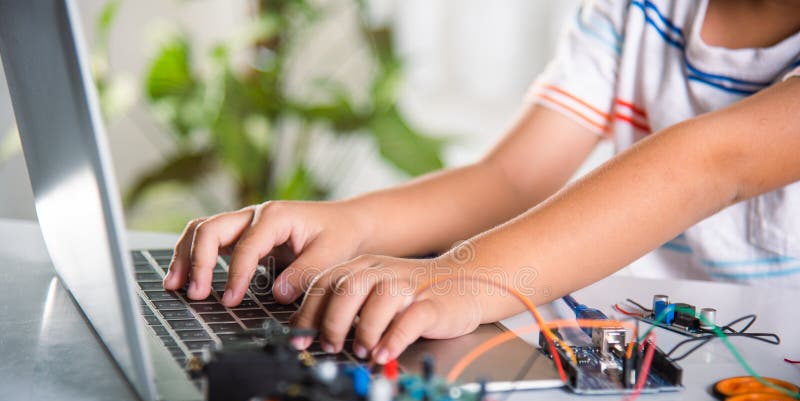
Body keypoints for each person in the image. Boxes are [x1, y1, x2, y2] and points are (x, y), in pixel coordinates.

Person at [163, 0, 800, 364]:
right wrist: (355, 222)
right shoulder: (635, 8)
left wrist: (468, 273)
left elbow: (713, 162)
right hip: (633, 351)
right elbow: (512, 175)